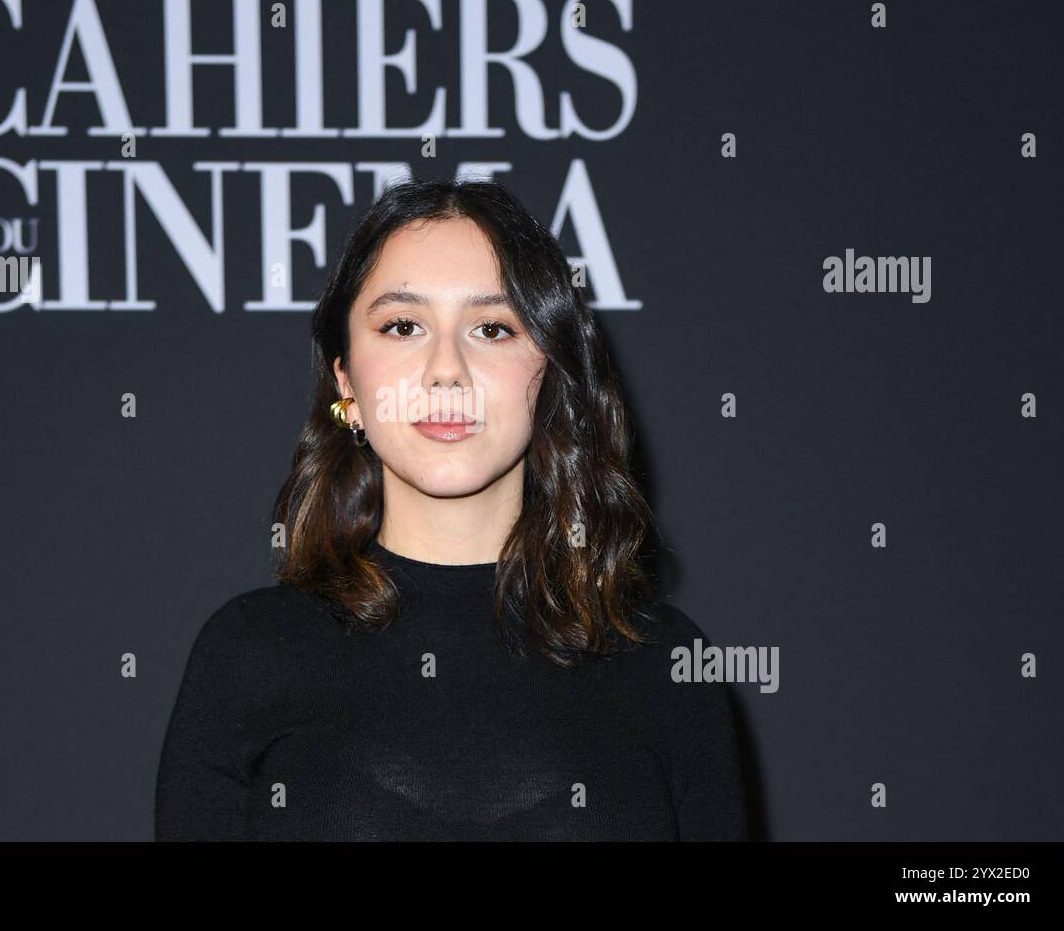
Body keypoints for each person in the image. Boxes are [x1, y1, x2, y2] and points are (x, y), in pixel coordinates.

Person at [154, 177, 748, 840]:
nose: (446, 370)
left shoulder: (666, 663)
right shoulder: (249, 653)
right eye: (403, 325)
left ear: (549, 368)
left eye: (492, 328)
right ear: (345, 377)